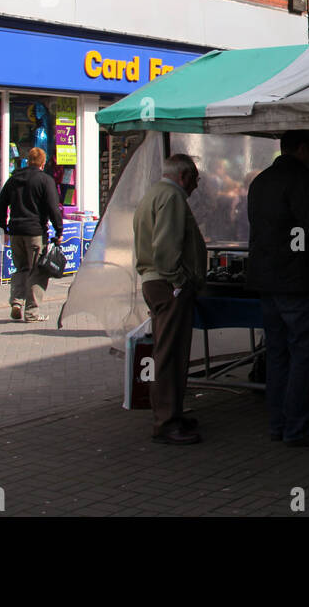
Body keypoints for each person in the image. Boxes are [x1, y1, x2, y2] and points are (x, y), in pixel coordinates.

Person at [247, 130, 309, 447]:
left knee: (277, 353)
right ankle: (296, 426)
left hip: (264, 280)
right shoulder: (299, 179)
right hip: (294, 280)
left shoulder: (260, 181)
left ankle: (277, 423)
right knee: (301, 352)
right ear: (301, 148)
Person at [134, 154, 207, 445]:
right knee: (170, 354)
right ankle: (166, 421)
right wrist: (178, 281)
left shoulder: (154, 194)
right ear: (185, 176)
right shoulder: (171, 197)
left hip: (158, 282)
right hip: (166, 283)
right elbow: (165, 247)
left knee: (171, 351)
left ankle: (171, 413)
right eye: (196, 179)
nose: (197, 186)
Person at [0, 146, 63, 323]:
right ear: (42, 163)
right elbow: (53, 208)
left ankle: (17, 302)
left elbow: (1, 204)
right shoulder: (44, 180)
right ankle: (31, 312)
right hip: (35, 232)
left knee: (21, 268)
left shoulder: (13, 180)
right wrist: (59, 230)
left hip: (16, 231)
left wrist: (2, 228)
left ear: (28, 161)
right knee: (37, 271)